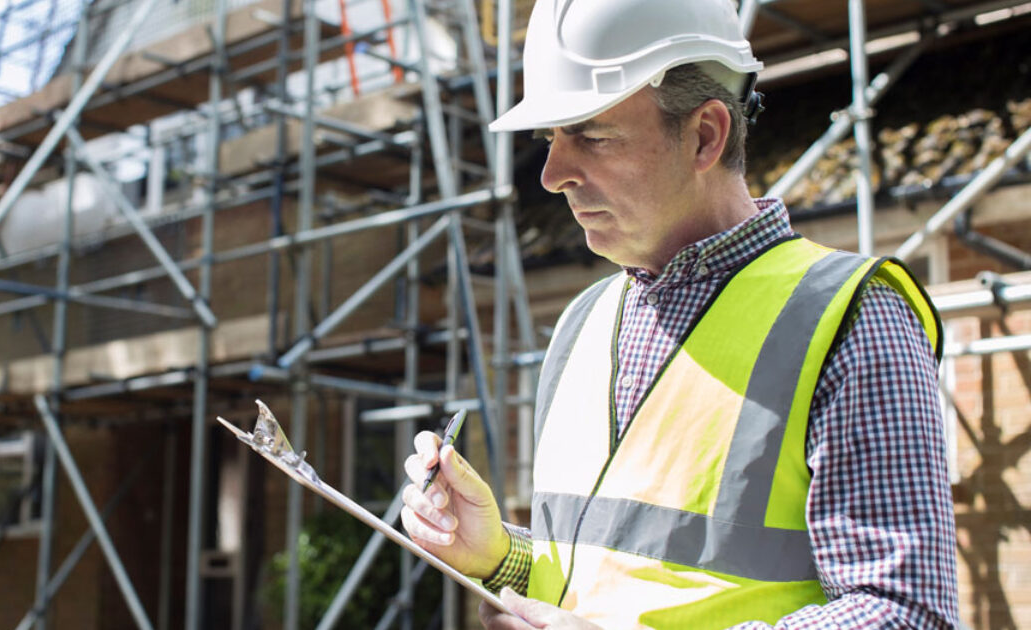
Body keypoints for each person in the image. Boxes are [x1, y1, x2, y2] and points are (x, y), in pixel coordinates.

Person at [400, 0, 960, 627]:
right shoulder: (581, 324)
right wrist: (499, 553)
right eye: (550, 139)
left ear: (705, 136)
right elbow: (614, 576)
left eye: (590, 135)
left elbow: (906, 613)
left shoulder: (851, 319)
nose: (553, 174)